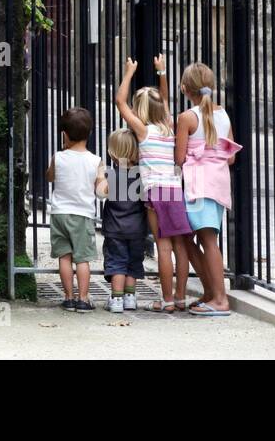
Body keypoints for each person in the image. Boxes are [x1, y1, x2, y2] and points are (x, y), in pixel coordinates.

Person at [115, 55, 191, 313]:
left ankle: (167, 299)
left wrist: (128, 73)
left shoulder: (143, 130)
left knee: (163, 244)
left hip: (155, 192)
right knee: (180, 245)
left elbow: (119, 102)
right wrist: (162, 72)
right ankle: (181, 298)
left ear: (142, 110)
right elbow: (166, 99)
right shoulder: (169, 125)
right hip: (174, 190)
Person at [174, 62, 241, 316]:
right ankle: (211, 291)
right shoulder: (222, 114)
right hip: (218, 182)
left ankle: (220, 299)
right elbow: (231, 156)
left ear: (184, 88)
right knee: (191, 237)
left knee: (207, 240)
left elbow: (179, 158)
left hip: (198, 185)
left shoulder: (187, 118)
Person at [45, 107, 102, 312]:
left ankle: (68, 297)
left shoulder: (58, 157)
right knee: (83, 259)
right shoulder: (95, 161)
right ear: (89, 134)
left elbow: (50, 177)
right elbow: (101, 188)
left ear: (64, 134)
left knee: (65, 257)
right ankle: (83, 298)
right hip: (82, 215)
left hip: (59, 213)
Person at [97, 128, 147, 314]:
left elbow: (100, 193)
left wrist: (100, 174)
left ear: (112, 153)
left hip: (115, 229)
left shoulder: (111, 175)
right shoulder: (141, 175)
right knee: (133, 263)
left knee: (117, 262)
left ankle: (116, 298)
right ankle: (130, 297)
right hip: (137, 229)